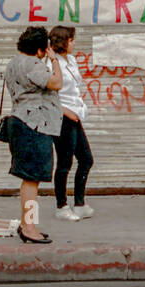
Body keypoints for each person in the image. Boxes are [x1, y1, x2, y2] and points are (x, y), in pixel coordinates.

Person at [5, 26, 63, 243]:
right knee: (32, 180)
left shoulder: (13, 62)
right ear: (40, 49)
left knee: (29, 178)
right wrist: (55, 61)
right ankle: (29, 227)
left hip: (21, 121)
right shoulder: (32, 63)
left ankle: (27, 223)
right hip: (34, 124)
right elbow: (56, 83)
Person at [49, 26, 95, 222]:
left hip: (75, 115)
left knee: (86, 159)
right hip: (61, 117)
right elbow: (47, 93)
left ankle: (80, 203)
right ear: (63, 41)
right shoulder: (51, 63)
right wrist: (65, 110)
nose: (74, 43)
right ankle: (61, 206)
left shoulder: (72, 60)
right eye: (71, 40)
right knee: (65, 163)